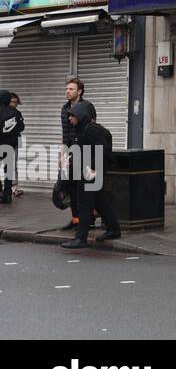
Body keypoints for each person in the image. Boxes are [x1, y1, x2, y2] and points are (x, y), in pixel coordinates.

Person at [59, 100, 121, 249]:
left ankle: (81, 238)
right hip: (90, 170)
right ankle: (114, 229)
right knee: (100, 202)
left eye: (72, 115)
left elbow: (103, 149)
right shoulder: (83, 129)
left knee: (84, 204)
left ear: (81, 115)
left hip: (91, 172)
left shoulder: (91, 129)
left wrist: (92, 167)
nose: (69, 119)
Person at [58, 77, 96, 231]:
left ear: (79, 91)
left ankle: (89, 219)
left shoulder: (86, 107)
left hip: (84, 151)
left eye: (71, 89)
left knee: (85, 188)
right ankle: (76, 219)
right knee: (70, 187)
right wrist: (62, 153)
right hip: (70, 152)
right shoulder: (64, 108)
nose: (67, 91)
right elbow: (65, 133)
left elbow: (91, 130)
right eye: (66, 89)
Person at [0, 89, 23, 204]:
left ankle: (0, 191)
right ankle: (7, 195)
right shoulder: (15, 112)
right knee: (8, 170)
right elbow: (21, 127)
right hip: (10, 145)